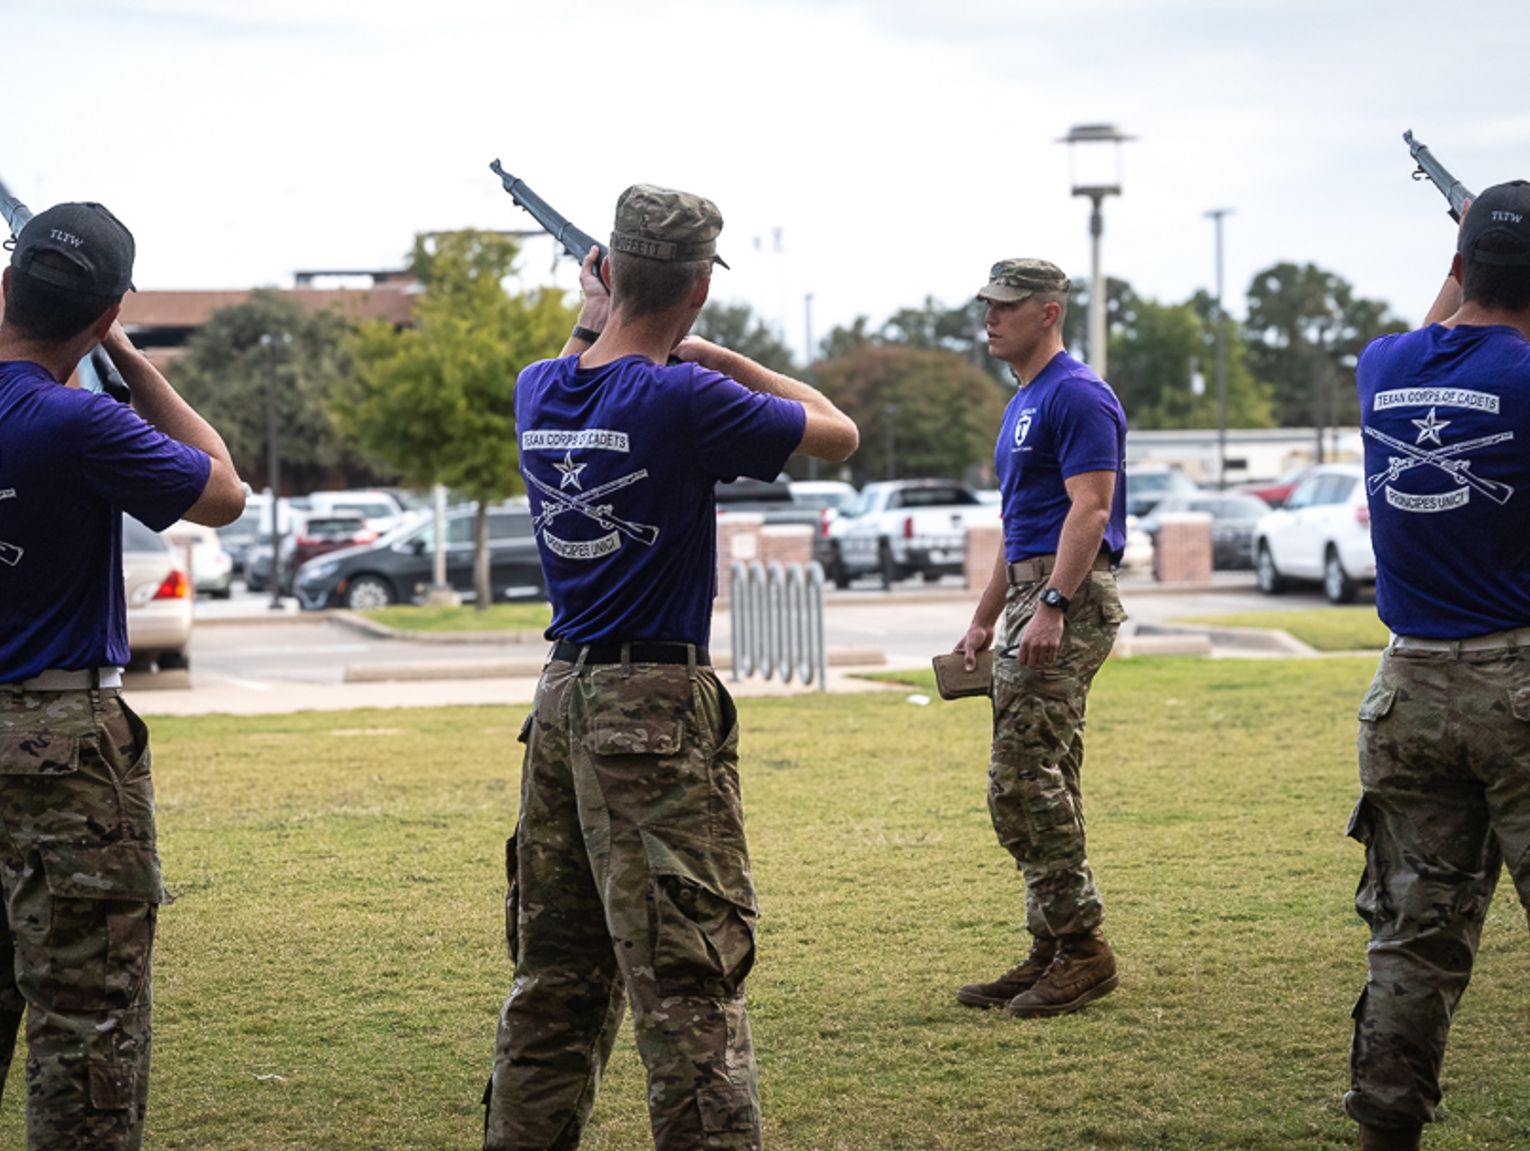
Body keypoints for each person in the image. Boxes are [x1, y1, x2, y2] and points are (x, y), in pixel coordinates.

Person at [482, 185, 857, 1151]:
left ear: (604, 273)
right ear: (696, 290)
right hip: (651, 706)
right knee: (688, 982)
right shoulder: (688, 395)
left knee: (553, 982)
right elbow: (835, 429)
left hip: (561, 699)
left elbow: (582, 356)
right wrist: (718, 350)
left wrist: (594, 306)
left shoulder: (537, 386)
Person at [0, 202, 244, 1150]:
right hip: (63, 748)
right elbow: (222, 488)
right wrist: (131, 360)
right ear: (103, 317)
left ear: (10, 287)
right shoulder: (81, 423)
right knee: (83, 1022)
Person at [1344, 181, 1530, 1151]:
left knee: (1413, 938)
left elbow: (1439, 340)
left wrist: (1466, 246)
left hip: (1407, 687)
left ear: (1459, 269)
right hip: (1522, 682)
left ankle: (1386, 1132)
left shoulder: (1382, 367)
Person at [951, 259, 1128, 1019]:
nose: (989, 317)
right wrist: (987, 614)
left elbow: (1090, 510)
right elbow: (1017, 525)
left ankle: (1084, 948)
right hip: (1029, 591)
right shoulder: (1025, 398)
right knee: (1047, 767)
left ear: (1048, 312)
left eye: (1005, 306)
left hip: (1068, 596)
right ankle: (1054, 943)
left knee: (1020, 775)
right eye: (986, 304)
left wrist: (1054, 601)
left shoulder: (1079, 393)